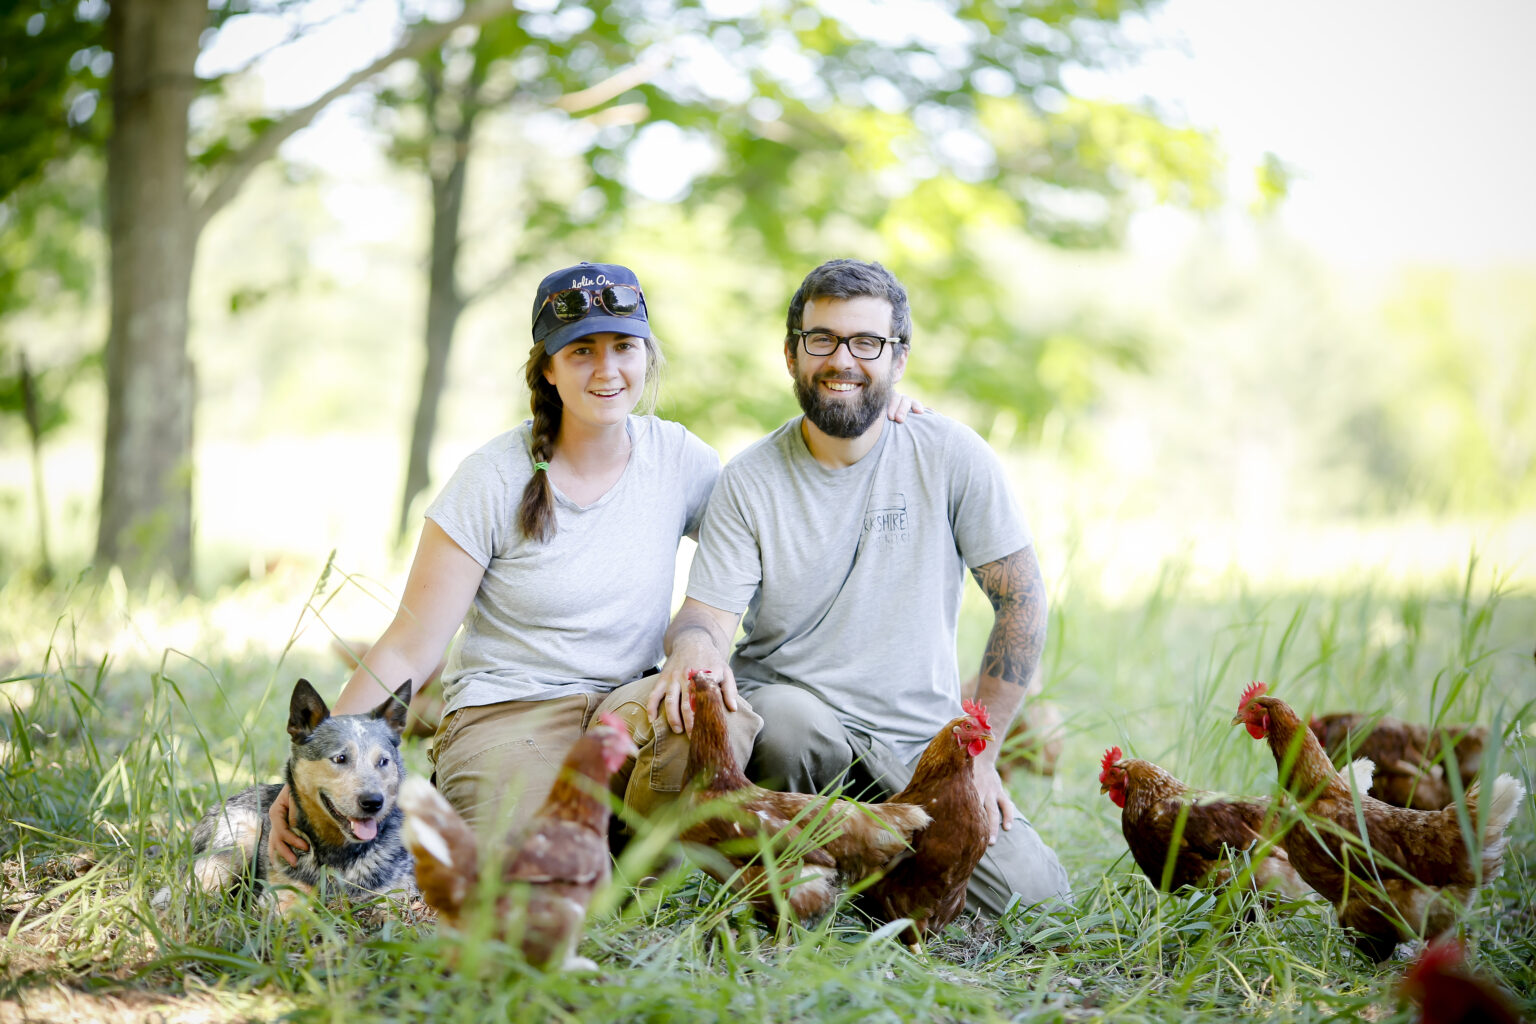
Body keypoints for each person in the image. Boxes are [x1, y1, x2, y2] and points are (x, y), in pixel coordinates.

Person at [269, 261, 923, 863]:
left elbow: (774, 532)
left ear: (646, 357)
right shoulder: (490, 479)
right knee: (533, 879)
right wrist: (310, 774)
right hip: (507, 719)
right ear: (548, 368)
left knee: (709, 711)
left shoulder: (681, 460)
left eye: (623, 348)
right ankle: (599, 849)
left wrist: (869, 409)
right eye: (582, 350)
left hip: (629, 712)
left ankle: (645, 849)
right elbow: (409, 647)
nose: (606, 370)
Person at [599, 258, 1070, 916]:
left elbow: (1021, 600)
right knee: (791, 725)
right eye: (821, 339)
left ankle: (845, 869)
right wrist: (697, 647)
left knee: (1037, 897)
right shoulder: (751, 479)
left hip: (916, 746)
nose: (842, 360)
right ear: (791, 354)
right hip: (799, 730)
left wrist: (982, 757)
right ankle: (800, 873)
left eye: (866, 343)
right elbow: (705, 615)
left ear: (898, 359)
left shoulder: (951, 455)